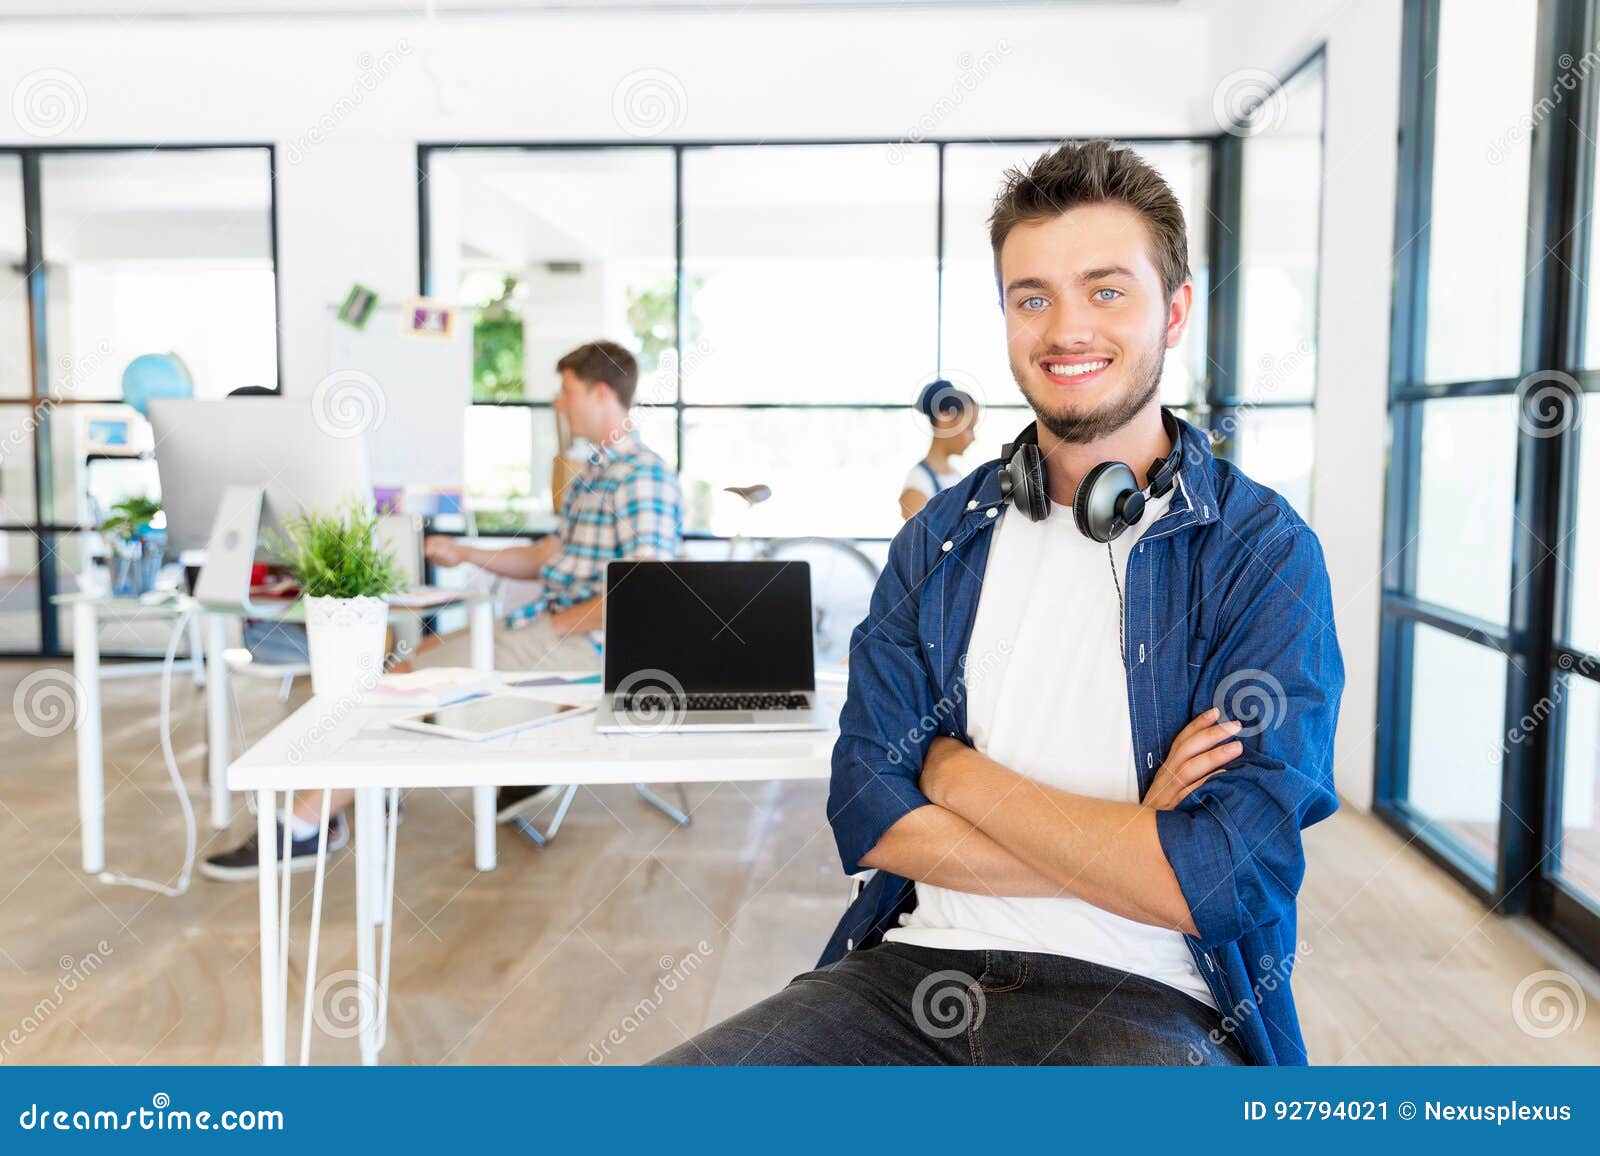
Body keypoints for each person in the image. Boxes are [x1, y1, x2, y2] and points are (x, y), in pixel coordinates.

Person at [653, 140, 1343, 1066]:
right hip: (904, 977)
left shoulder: (1260, 553)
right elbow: (871, 813)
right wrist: (1138, 841)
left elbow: (1223, 880)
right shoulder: (937, 541)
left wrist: (954, 774)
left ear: (1174, 312)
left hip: (1148, 1003)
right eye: (1033, 297)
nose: (1066, 329)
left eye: (1106, 290)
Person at [202, 341, 682, 880]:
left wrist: (558, 623)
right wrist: (466, 553)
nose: (558, 403)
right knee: (397, 663)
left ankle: (305, 825)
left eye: (566, 391)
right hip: (547, 627)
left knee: (400, 681)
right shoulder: (590, 472)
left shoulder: (641, 474)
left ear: (601, 393)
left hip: (584, 644)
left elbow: (648, 587)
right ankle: (344, 801)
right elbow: (551, 556)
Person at [899, 380, 979, 520]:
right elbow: (920, 540)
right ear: (945, 419)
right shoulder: (918, 483)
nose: (973, 438)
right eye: (969, 428)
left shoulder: (955, 475)